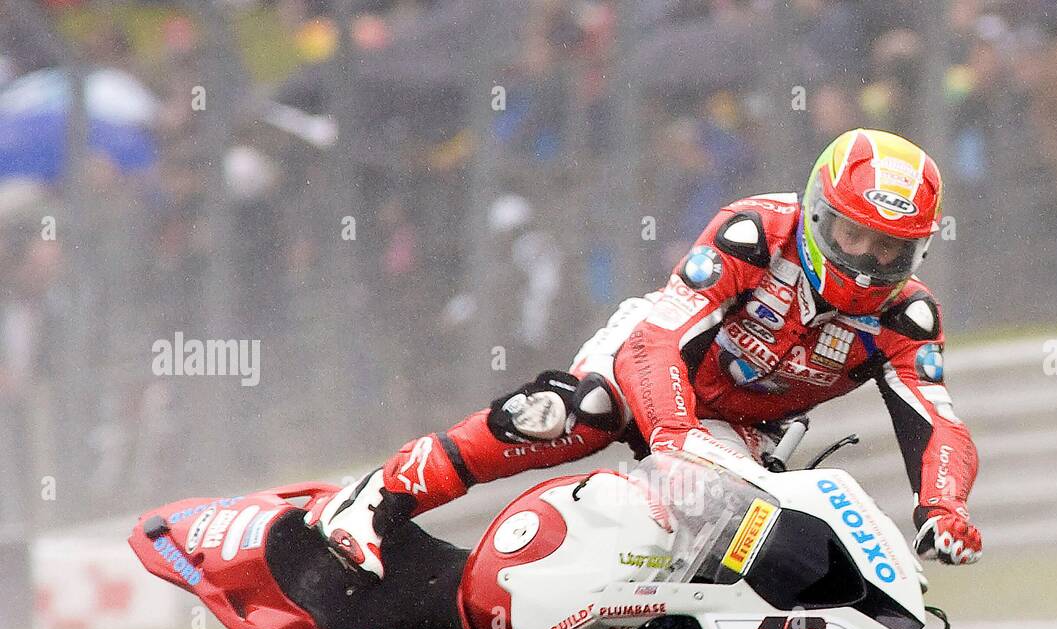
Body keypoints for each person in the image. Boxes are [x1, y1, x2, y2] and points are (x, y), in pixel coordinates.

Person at [310, 128, 982, 581]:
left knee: (734, 542)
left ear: (917, 249)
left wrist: (943, 506)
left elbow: (938, 421)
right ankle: (377, 498)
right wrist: (673, 433)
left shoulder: (908, 315)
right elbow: (660, 337)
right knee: (574, 414)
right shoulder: (754, 232)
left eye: (889, 247)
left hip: (738, 426)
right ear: (816, 211)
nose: (866, 259)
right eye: (851, 234)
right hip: (657, 368)